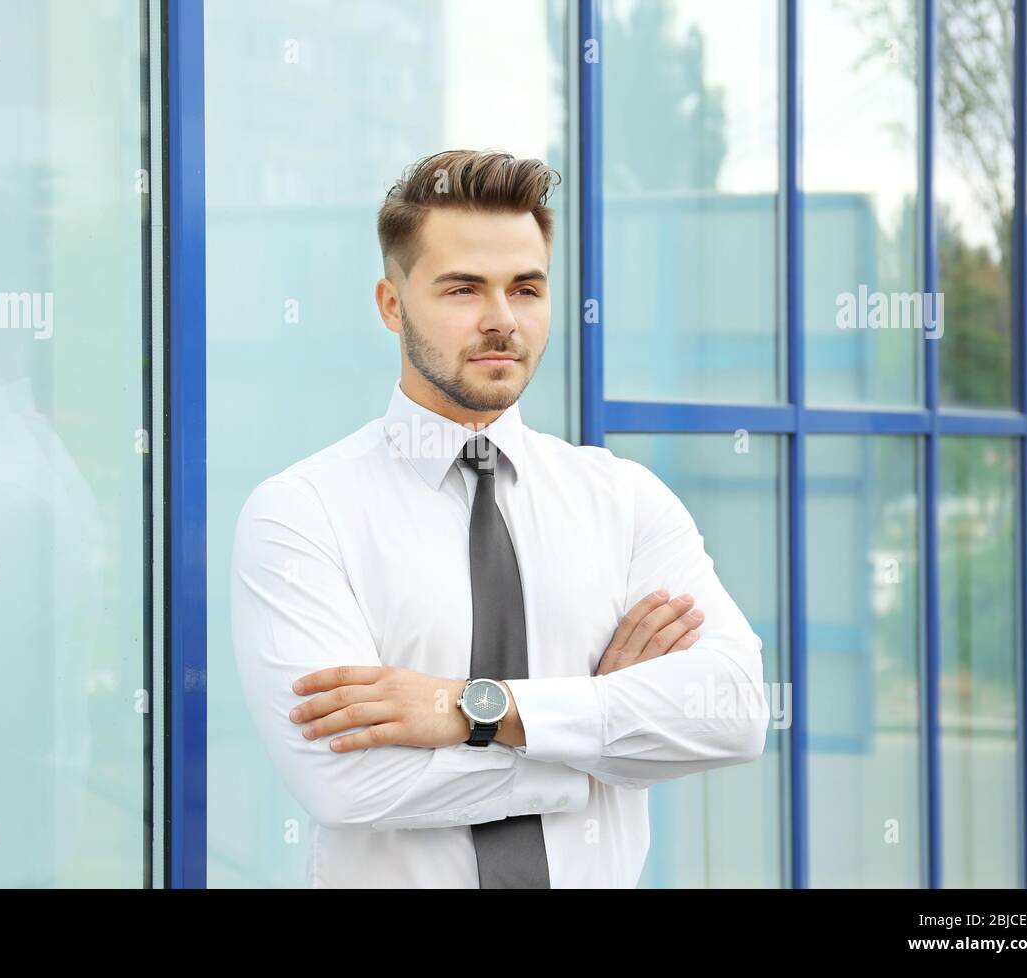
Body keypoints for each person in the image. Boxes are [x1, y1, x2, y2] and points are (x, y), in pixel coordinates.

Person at [230, 149, 768, 888]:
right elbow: (346, 783)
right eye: (463, 289)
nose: (502, 321)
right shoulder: (303, 514)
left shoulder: (624, 499)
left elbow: (734, 711)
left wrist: (472, 710)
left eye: (526, 289)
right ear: (391, 305)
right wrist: (594, 742)